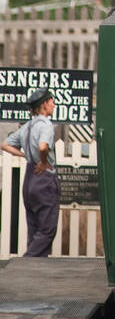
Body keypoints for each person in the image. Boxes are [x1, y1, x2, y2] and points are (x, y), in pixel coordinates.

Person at [1, 87, 60, 257]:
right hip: (44, 179)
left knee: (34, 229)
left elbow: (4, 144)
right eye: (52, 102)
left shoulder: (26, 127)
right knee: (47, 230)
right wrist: (43, 162)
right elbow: (43, 146)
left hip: (29, 179)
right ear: (44, 105)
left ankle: (34, 270)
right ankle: (27, 261)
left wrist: (25, 154)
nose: (54, 105)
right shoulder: (46, 125)